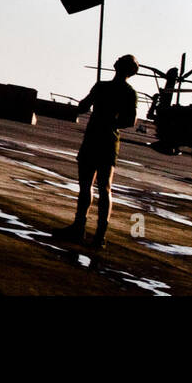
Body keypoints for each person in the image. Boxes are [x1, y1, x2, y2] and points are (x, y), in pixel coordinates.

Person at [54, 54, 139, 248]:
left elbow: (83, 106)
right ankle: (98, 235)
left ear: (117, 66)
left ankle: (80, 228)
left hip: (95, 138)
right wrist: (112, 122)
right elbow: (130, 120)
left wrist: (98, 115)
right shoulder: (128, 92)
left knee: (88, 186)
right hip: (108, 141)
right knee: (104, 188)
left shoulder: (103, 87)